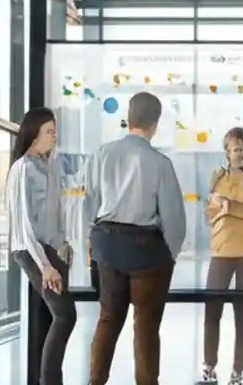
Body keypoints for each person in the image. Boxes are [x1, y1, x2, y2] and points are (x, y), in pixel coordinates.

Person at [84, 92, 187, 385]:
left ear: (128, 118)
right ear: (155, 124)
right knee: (146, 328)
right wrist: (170, 255)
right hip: (147, 252)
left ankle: (95, 381)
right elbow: (174, 220)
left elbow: (89, 205)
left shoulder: (101, 154)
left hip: (108, 247)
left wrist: (92, 244)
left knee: (108, 319)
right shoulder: (160, 163)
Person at [5, 107, 85, 385]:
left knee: (51, 318)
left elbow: (56, 213)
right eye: (49, 131)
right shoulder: (22, 169)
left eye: (54, 131)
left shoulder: (50, 166)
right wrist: (46, 266)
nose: (54, 136)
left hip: (52, 250)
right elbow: (24, 224)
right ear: (34, 135)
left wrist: (64, 244)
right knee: (65, 315)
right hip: (32, 251)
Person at [201, 127, 243, 385]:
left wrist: (228, 206)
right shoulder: (217, 177)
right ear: (226, 151)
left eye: (241, 149)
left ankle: (237, 372)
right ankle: (208, 367)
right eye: (233, 149)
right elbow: (210, 213)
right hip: (221, 248)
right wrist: (240, 209)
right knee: (212, 308)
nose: (237, 154)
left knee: (242, 312)